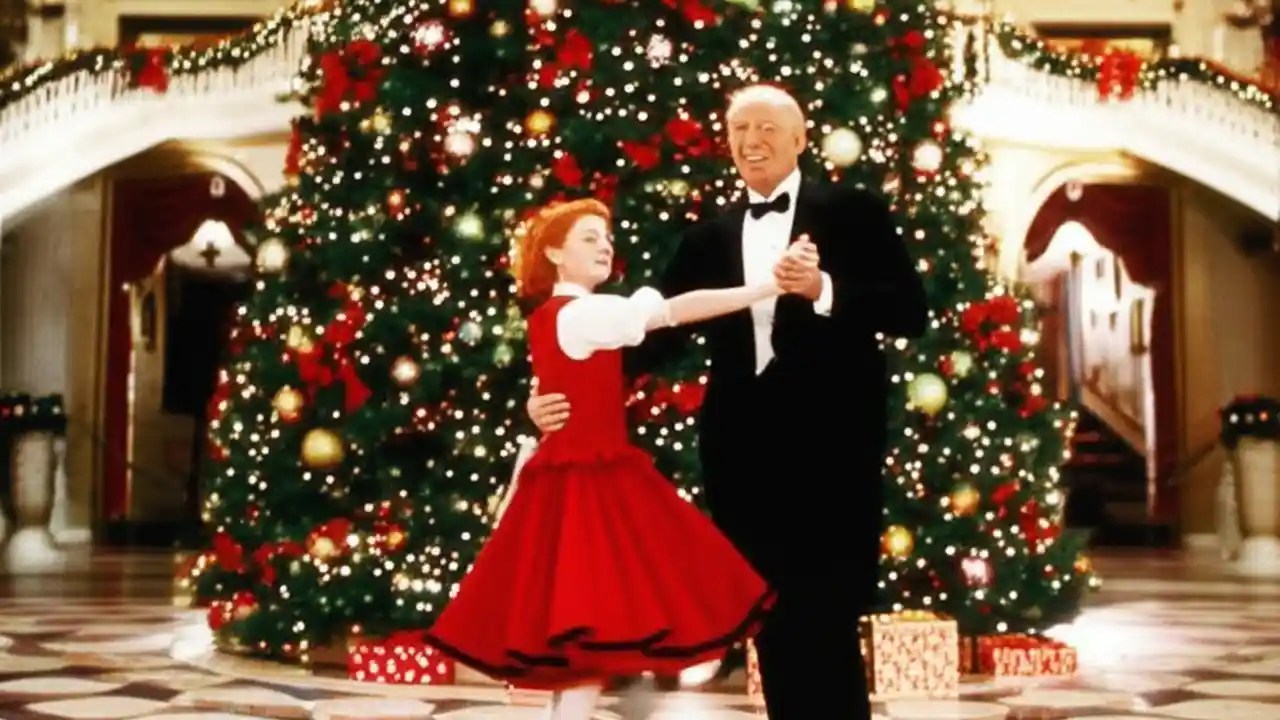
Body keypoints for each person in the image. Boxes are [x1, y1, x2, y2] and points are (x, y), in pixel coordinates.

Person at [527, 84, 929, 719]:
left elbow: (911, 311)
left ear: (800, 139)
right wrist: (548, 392)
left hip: (834, 446)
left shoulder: (852, 211)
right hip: (741, 451)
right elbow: (639, 338)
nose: (752, 141)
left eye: (768, 128)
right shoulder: (709, 238)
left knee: (825, 613)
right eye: (740, 129)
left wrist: (823, 287)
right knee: (768, 615)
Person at [426, 197, 799, 720]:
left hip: (564, 481)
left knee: (575, 651)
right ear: (554, 252)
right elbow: (675, 309)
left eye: (606, 238)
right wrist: (763, 288)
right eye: (588, 238)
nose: (605, 247)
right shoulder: (586, 312)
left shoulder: (550, 316)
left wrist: (536, 407)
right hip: (590, 487)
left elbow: (554, 387)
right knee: (588, 642)